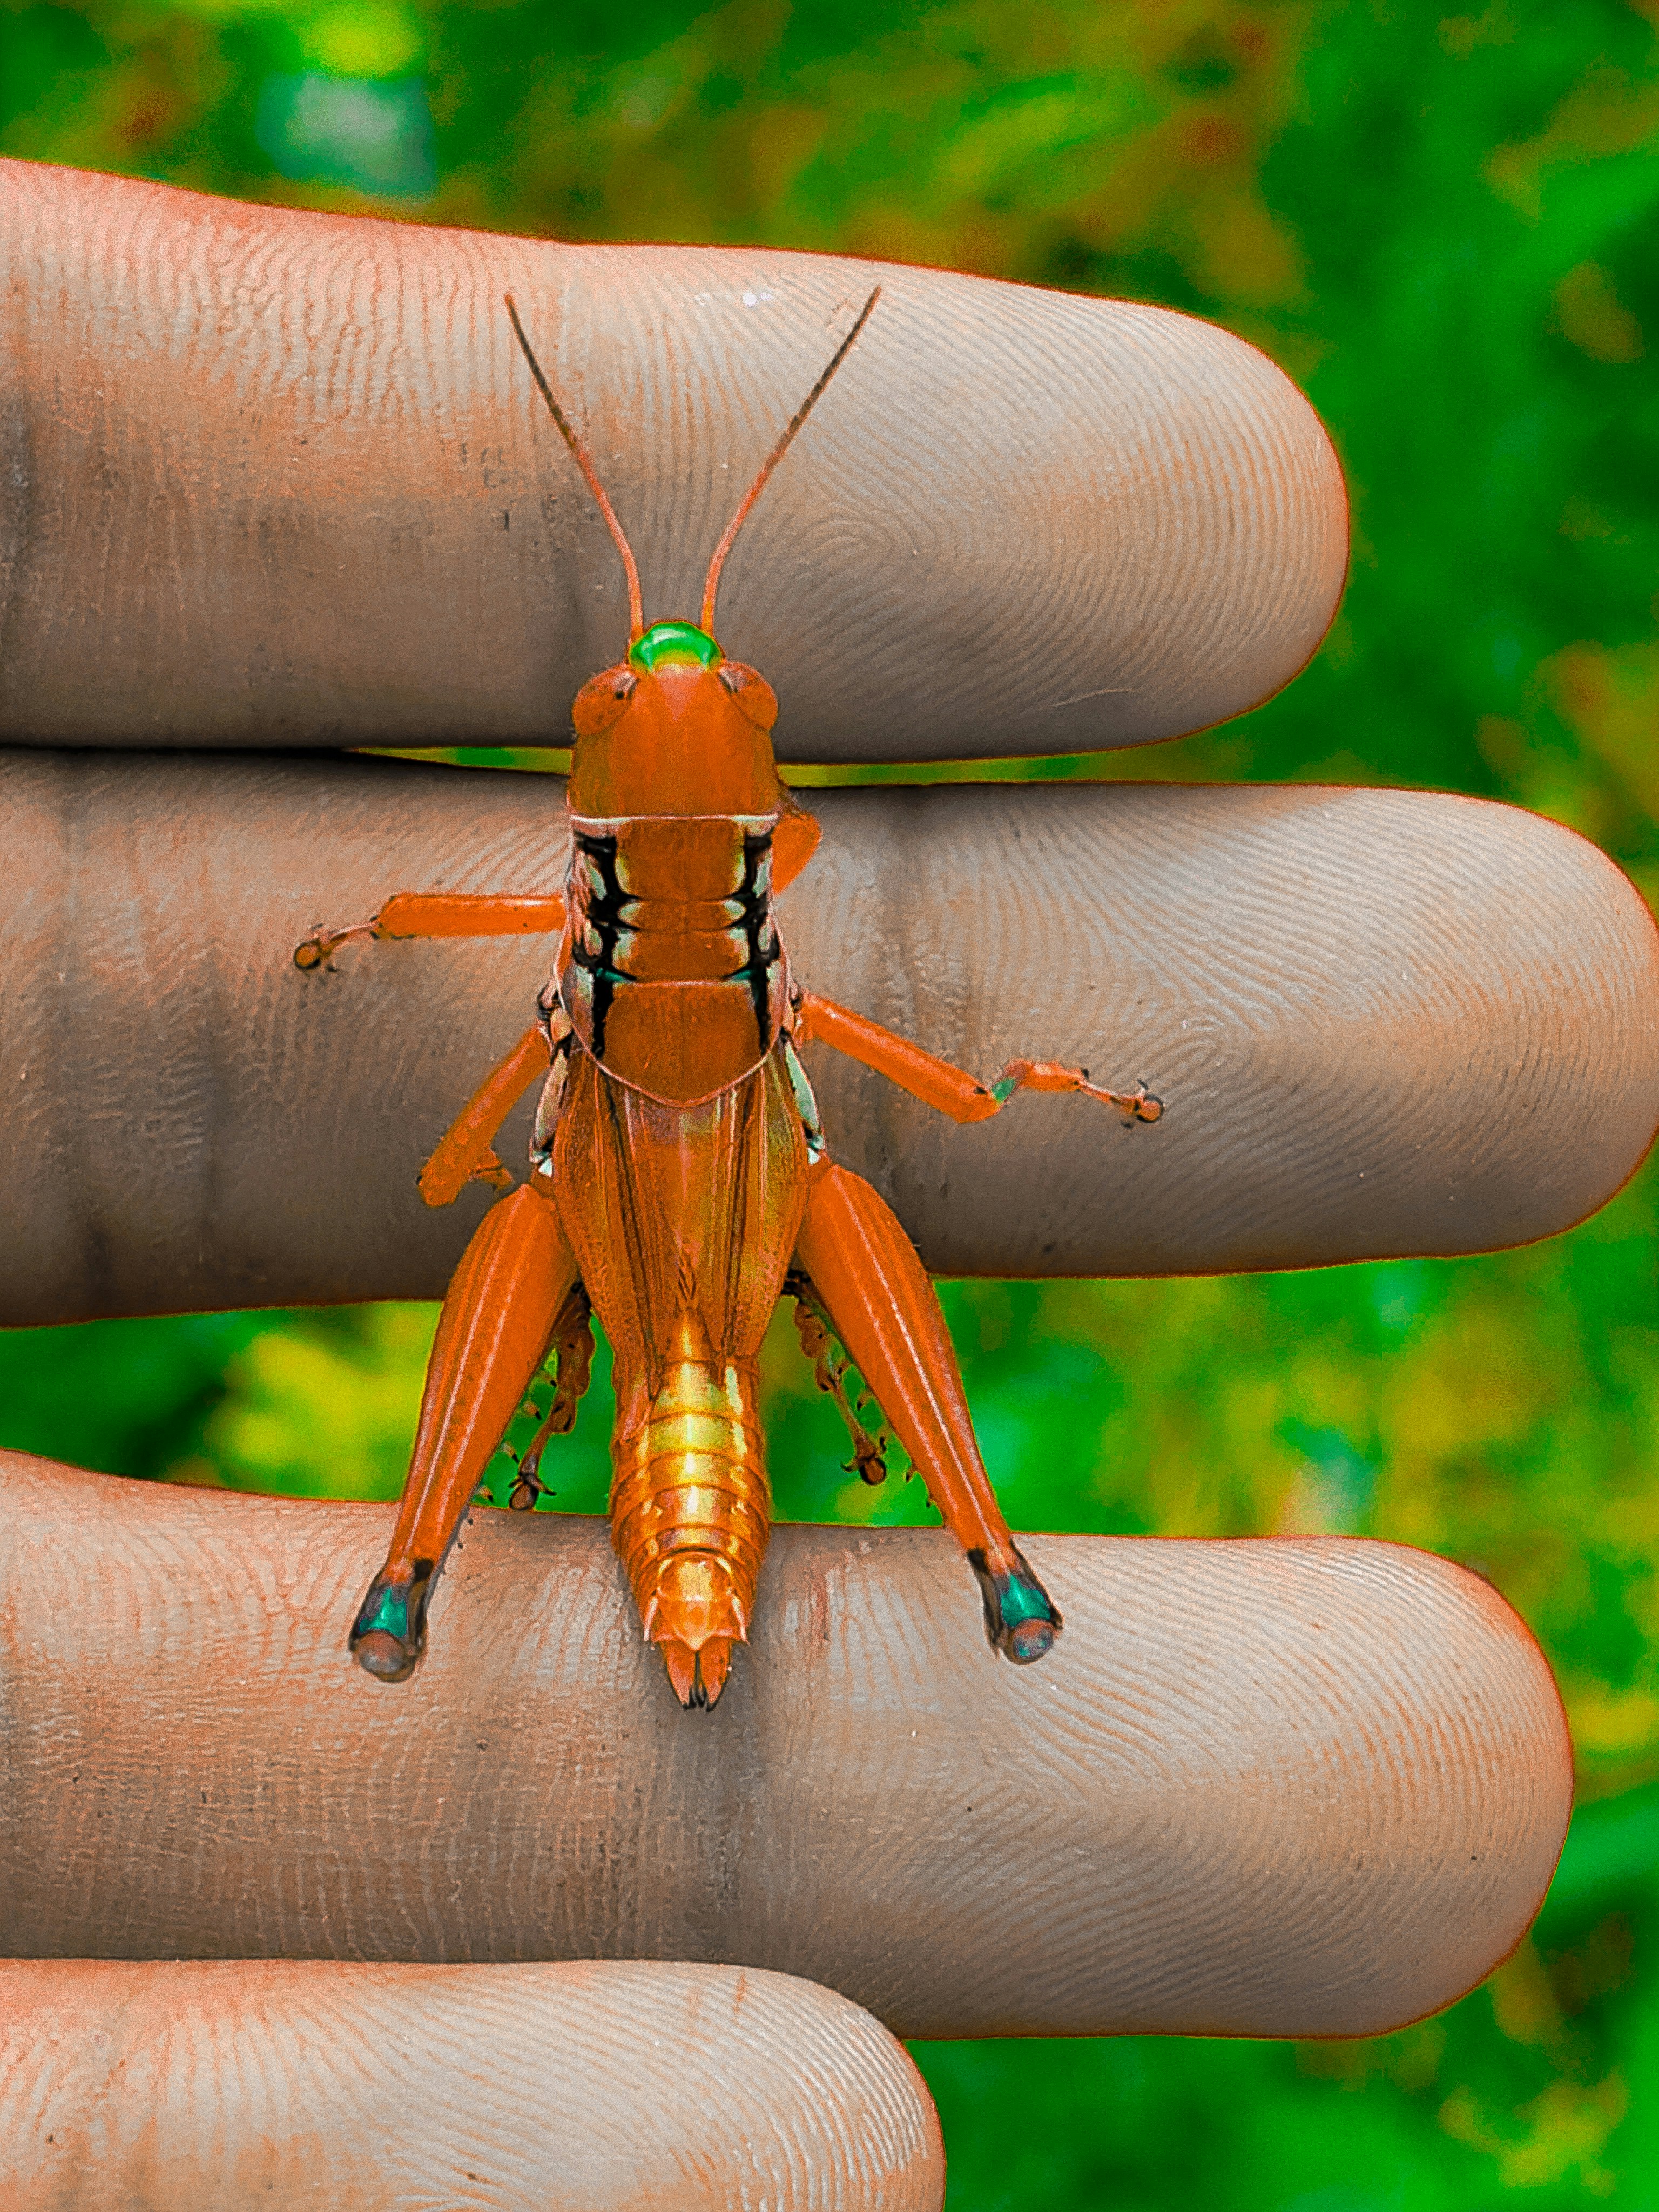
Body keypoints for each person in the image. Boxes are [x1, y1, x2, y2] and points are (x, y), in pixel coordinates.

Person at [0, 162, 1589, 2208]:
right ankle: (924, 1558)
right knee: (738, 1208)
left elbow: (435, 1136)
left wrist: (377, 950)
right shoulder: (789, 884)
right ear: (752, 778)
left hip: (648, 1157)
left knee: (537, 1206)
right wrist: (1006, 1079)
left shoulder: (556, 915)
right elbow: (920, 1077)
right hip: (748, 1145)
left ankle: (455, 1571)